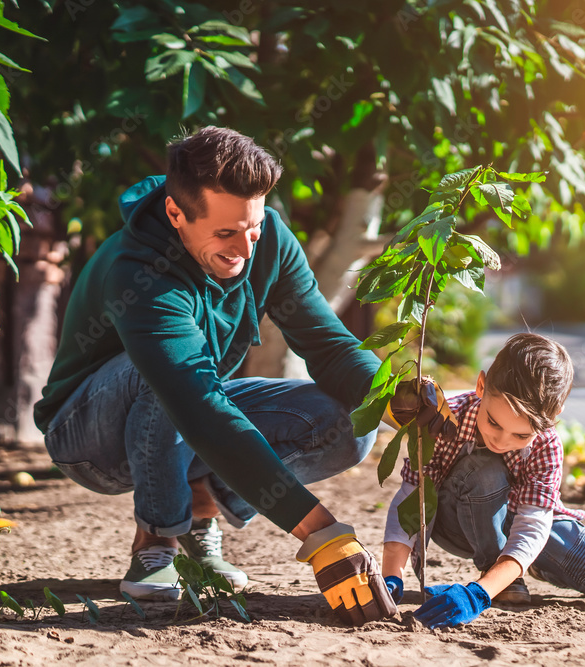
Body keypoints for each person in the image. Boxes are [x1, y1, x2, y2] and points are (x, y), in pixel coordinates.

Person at [33, 127, 396, 625]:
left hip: (190, 411)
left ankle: (199, 509)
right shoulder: (139, 270)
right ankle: (157, 537)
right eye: (224, 234)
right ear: (176, 215)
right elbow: (196, 401)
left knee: (348, 423)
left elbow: (329, 346)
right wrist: (321, 535)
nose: (244, 249)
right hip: (91, 439)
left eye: (253, 227)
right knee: (163, 380)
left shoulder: (267, 242)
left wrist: (397, 399)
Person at [380, 333, 585, 628]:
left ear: (554, 416)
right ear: (481, 386)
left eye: (520, 435)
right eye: (493, 422)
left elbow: (533, 524)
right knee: (484, 467)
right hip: (457, 519)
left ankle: (521, 566)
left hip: (522, 518)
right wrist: (392, 575)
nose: (501, 441)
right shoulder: (443, 421)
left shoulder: (547, 445)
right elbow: (412, 496)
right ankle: (499, 573)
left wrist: (477, 594)